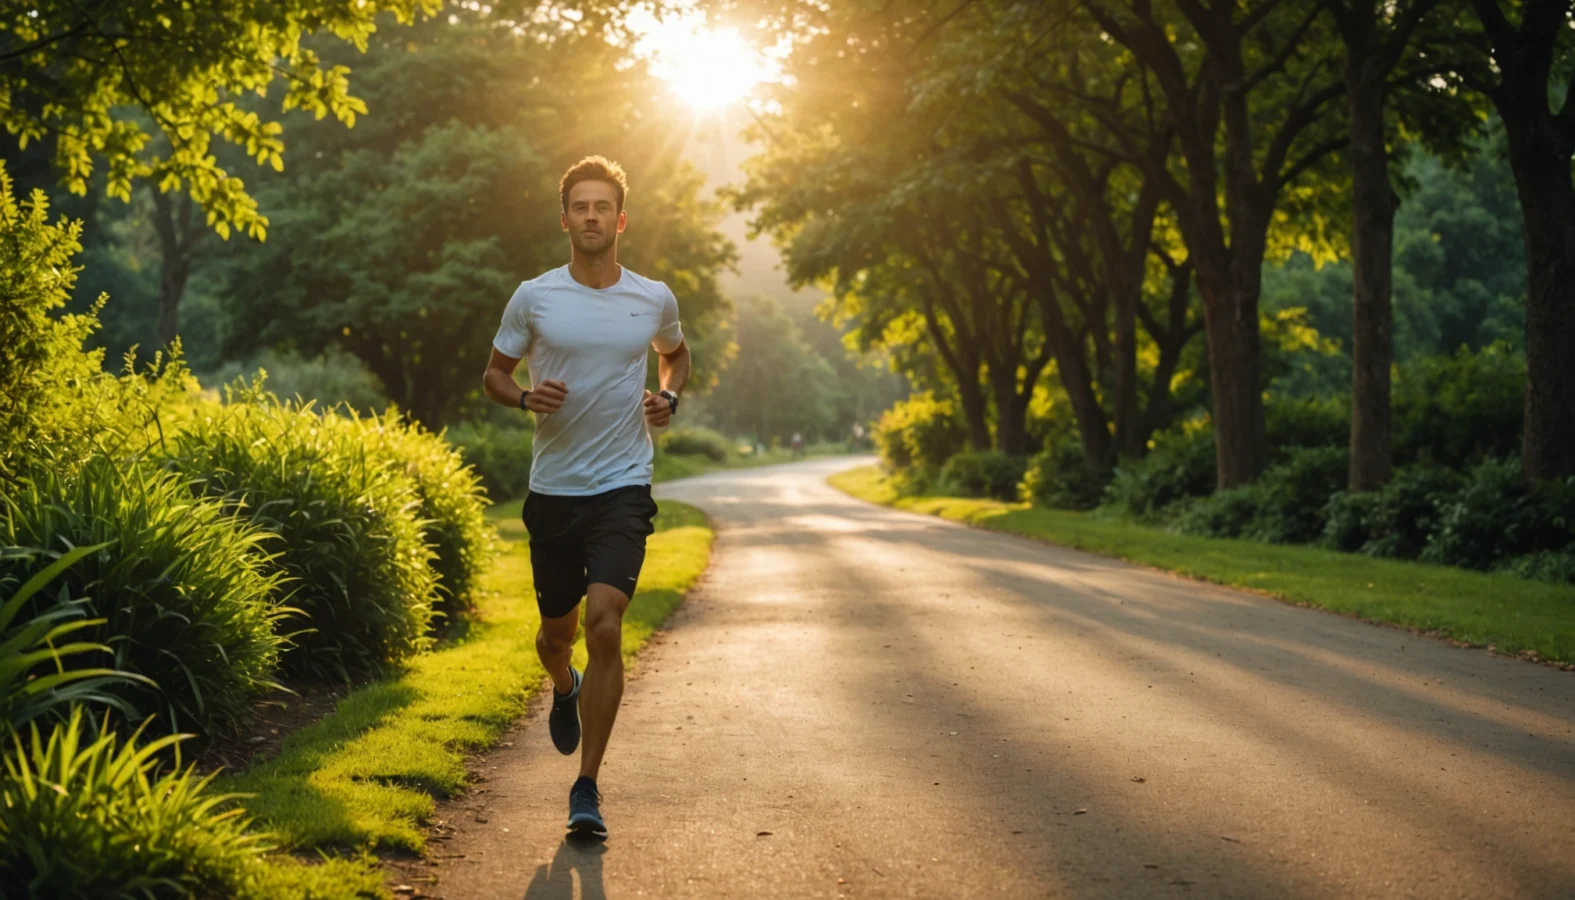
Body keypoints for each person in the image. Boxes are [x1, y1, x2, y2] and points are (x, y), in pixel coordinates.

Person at [481, 156, 690, 839]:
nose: (592, 216)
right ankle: (564, 685)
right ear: (565, 219)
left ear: (620, 220)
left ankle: (587, 786)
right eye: (581, 206)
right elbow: (494, 374)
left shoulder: (653, 297)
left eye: (603, 206)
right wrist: (523, 398)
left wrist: (668, 397)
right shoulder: (534, 297)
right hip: (554, 491)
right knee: (556, 637)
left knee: (605, 623)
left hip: (623, 485)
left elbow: (676, 355)